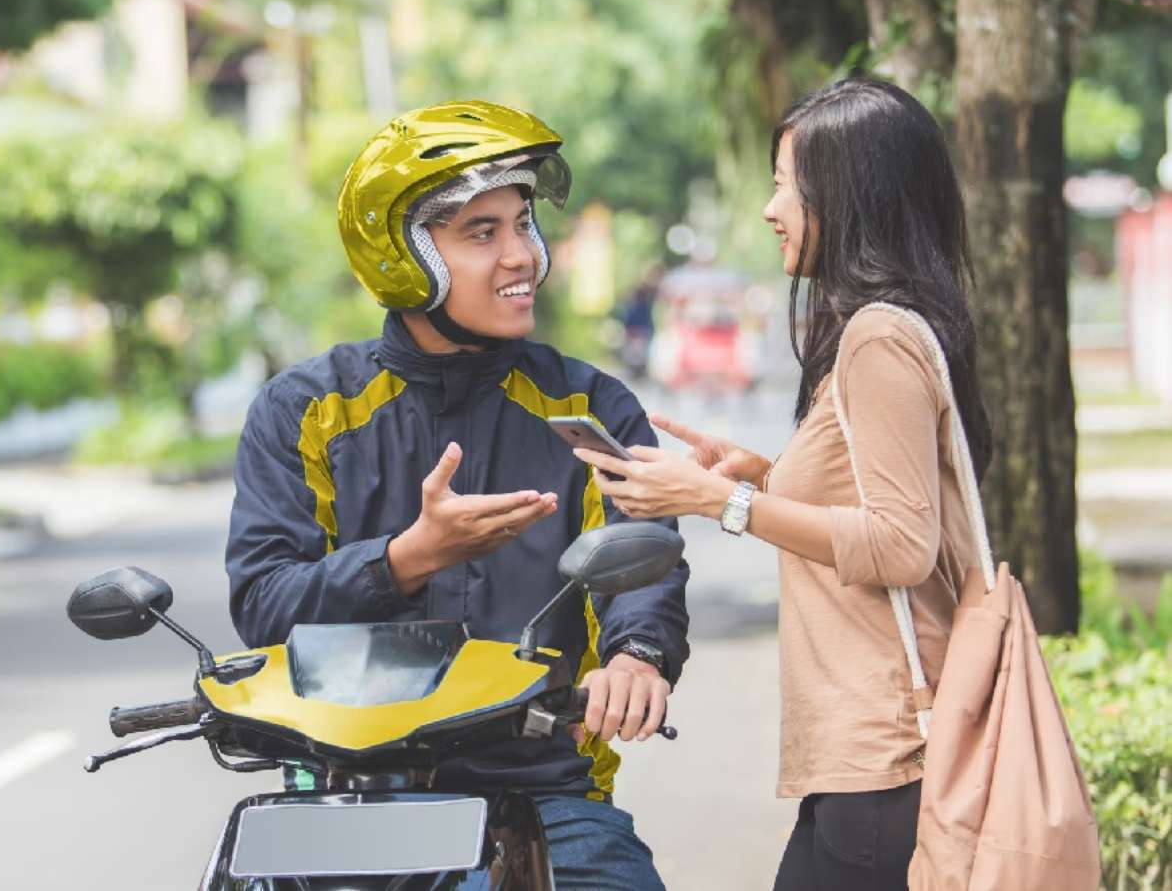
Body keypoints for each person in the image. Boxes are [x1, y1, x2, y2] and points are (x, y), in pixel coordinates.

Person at [225, 99, 690, 890]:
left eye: (524, 224)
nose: (523, 256)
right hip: (344, 799)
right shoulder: (306, 411)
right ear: (403, 256)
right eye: (483, 232)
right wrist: (407, 559)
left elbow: (642, 567)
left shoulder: (590, 408)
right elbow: (264, 602)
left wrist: (637, 657)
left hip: (540, 790)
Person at [570, 78, 991, 891]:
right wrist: (765, 474)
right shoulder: (896, 325)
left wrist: (718, 503)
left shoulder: (877, 337)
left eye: (785, 183)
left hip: (888, 755)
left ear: (850, 195)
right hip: (874, 757)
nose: (771, 208)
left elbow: (903, 544)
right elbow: (881, 496)